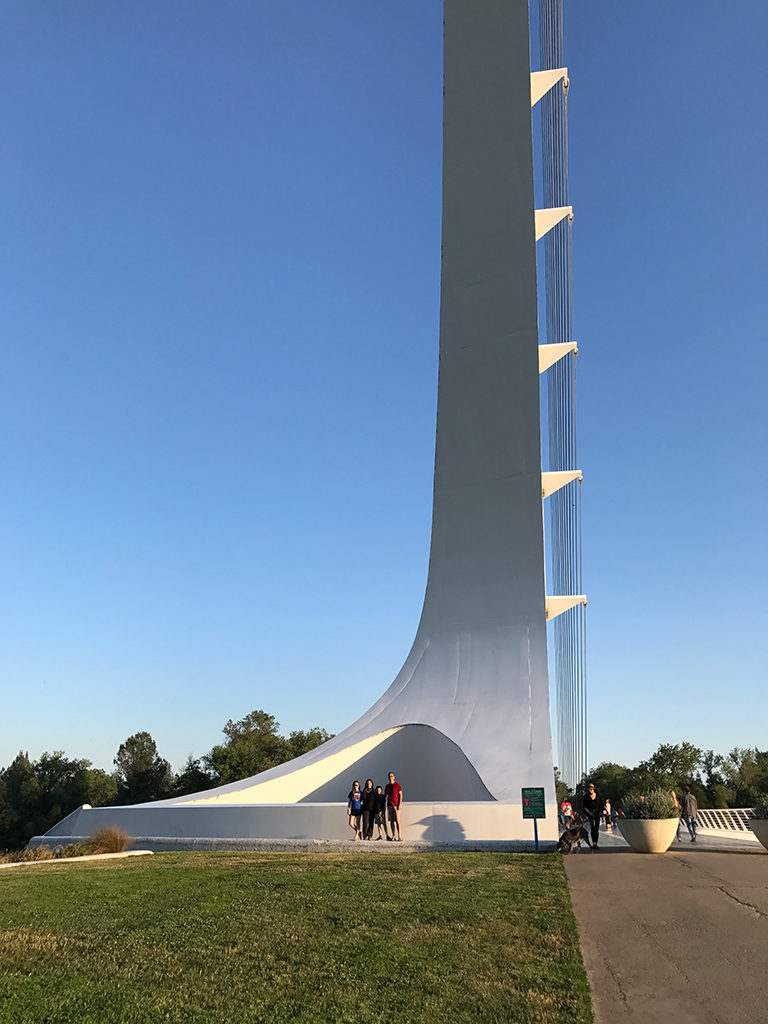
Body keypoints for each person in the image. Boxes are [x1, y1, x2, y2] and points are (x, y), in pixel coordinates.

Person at [384, 771, 403, 841]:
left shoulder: (397, 785)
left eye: (391, 776)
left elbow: (400, 794)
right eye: (389, 776)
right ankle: (393, 835)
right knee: (391, 821)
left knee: (397, 820)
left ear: (394, 777)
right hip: (389, 805)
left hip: (396, 805)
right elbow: (385, 795)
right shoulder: (387, 786)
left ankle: (399, 835)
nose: (390, 777)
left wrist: (400, 804)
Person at [582, 782, 601, 849]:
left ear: (594, 789)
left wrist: (601, 811)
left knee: (597, 829)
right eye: (589, 789)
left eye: (591, 789)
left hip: (597, 815)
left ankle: (596, 843)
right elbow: (584, 806)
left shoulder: (598, 796)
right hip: (590, 815)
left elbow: (602, 804)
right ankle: (593, 843)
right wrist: (589, 812)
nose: (590, 790)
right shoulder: (586, 797)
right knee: (592, 828)